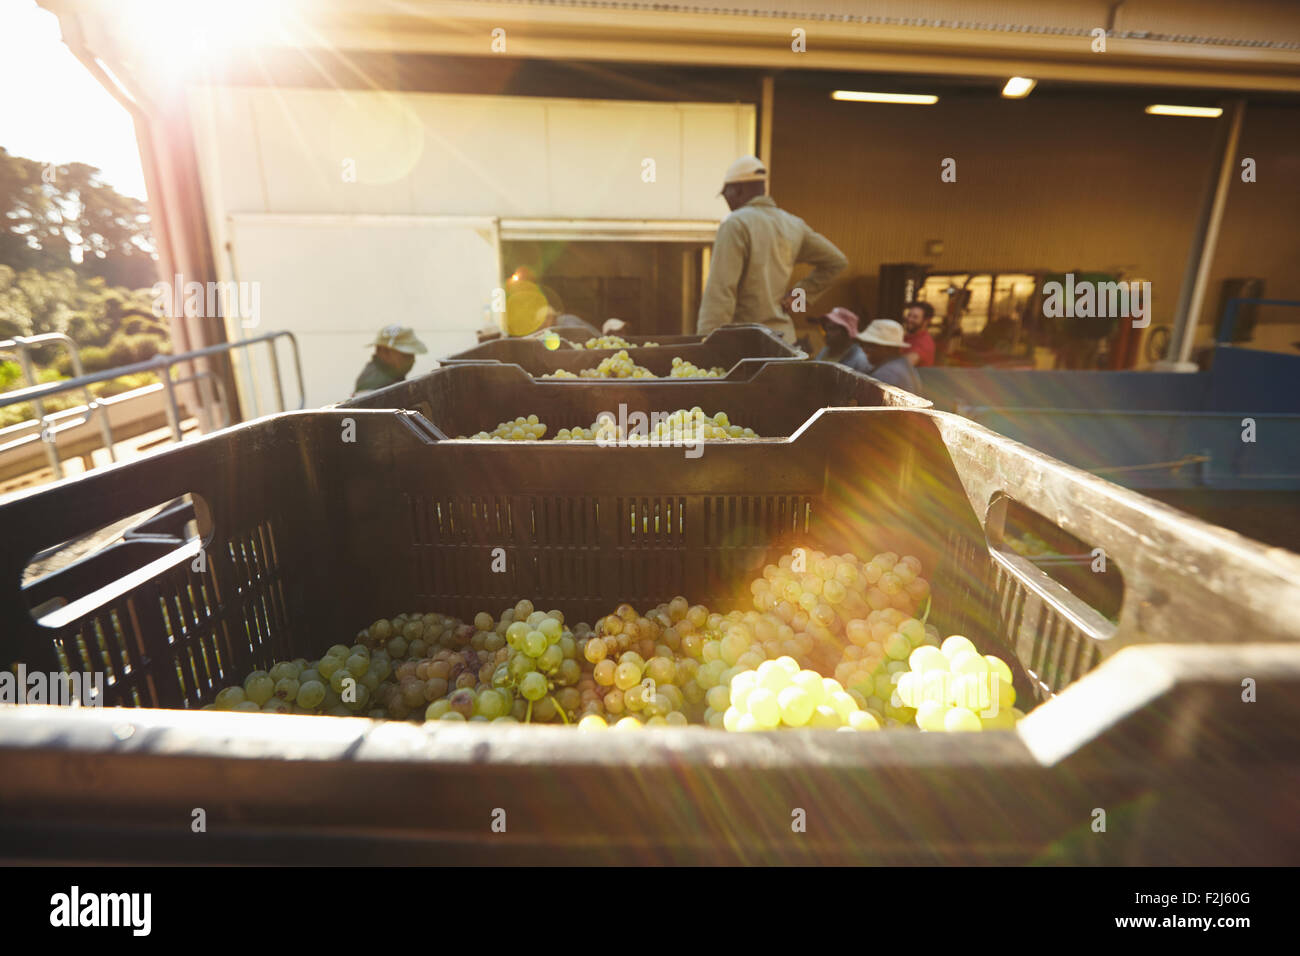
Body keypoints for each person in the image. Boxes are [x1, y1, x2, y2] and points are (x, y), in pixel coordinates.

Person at [697, 155, 848, 344]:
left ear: (738, 189)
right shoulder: (793, 224)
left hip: (746, 345)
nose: (726, 201)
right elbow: (837, 262)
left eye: (726, 194)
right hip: (783, 341)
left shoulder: (735, 223)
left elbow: (721, 292)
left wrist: (706, 341)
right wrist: (800, 296)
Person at [353, 325, 427, 395]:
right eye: (406, 355)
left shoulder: (392, 375)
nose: (413, 361)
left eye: (412, 355)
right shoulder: (370, 384)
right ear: (383, 351)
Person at [858, 319, 923, 395]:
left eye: (871, 345)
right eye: (864, 344)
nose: (864, 350)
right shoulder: (902, 363)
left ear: (889, 348)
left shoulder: (885, 375)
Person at [813, 307, 871, 373]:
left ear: (847, 332)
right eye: (827, 329)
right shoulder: (825, 351)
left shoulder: (860, 360)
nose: (827, 333)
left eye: (833, 329)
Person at [902, 300, 936, 368]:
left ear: (926, 321)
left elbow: (903, 365)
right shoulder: (909, 336)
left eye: (915, 317)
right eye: (909, 315)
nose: (909, 319)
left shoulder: (924, 343)